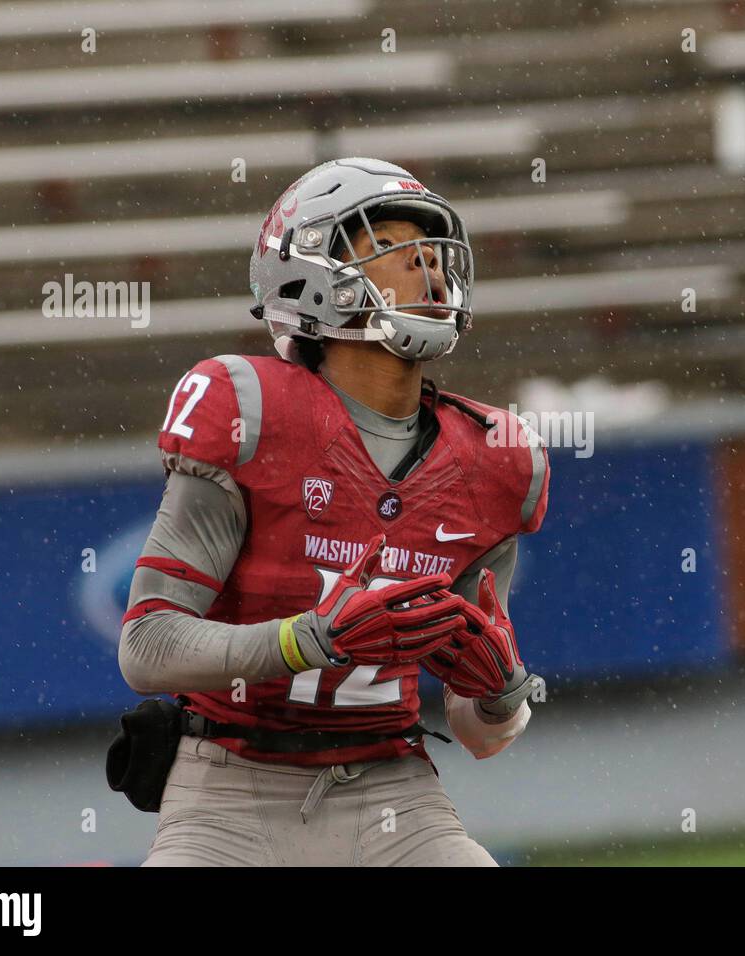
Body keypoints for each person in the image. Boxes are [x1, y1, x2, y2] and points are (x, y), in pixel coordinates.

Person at [114, 158, 550, 866]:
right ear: (307, 272)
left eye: (429, 248)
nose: (426, 266)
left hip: (394, 791)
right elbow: (148, 645)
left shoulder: (496, 458)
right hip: (230, 788)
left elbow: (478, 733)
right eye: (391, 244)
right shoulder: (250, 407)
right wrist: (308, 639)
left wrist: (503, 689)